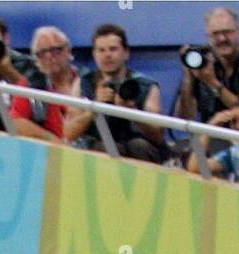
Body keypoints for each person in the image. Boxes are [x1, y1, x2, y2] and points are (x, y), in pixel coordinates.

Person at [64, 23, 165, 163]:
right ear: (94, 54)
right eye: (101, 50)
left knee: (139, 146)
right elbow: (69, 133)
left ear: (126, 53)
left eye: (113, 49)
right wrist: (94, 109)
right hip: (98, 149)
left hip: (138, 149)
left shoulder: (146, 85)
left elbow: (158, 135)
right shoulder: (82, 83)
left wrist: (131, 111)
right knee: (104, 149)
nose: (107, 55)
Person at [9, 25, 79, 143]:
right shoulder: (30, 84)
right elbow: (16, 123)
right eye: (42, 53)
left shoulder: (86, 79)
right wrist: (54, 141)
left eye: (56, 50)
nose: (49, 57)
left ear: (68, 50)